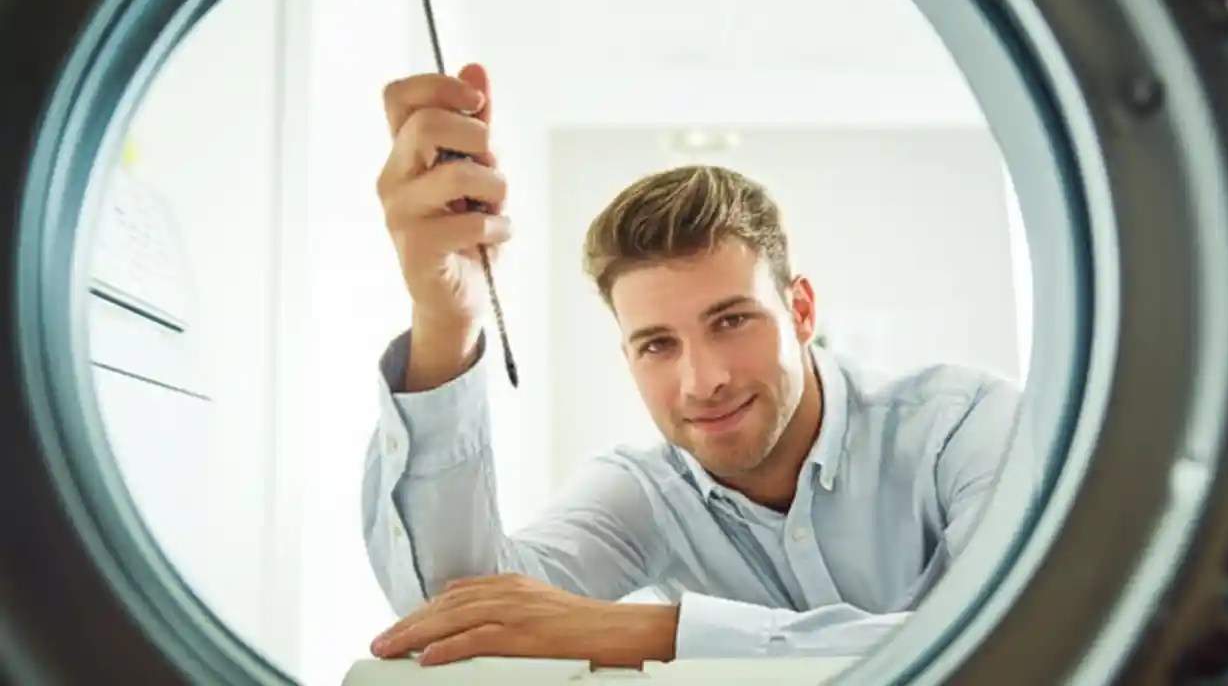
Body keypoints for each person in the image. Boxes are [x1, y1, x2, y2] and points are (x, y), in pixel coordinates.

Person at [362, 63, 1025, 669]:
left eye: (731, 321)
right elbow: (461, 612)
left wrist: (652, 633)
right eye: (657, 344)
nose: (703, 380)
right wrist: (446, 323)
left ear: (800, 311)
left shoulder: (964, 426)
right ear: (628, 357)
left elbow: (1016, 627)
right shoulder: (641, 494)